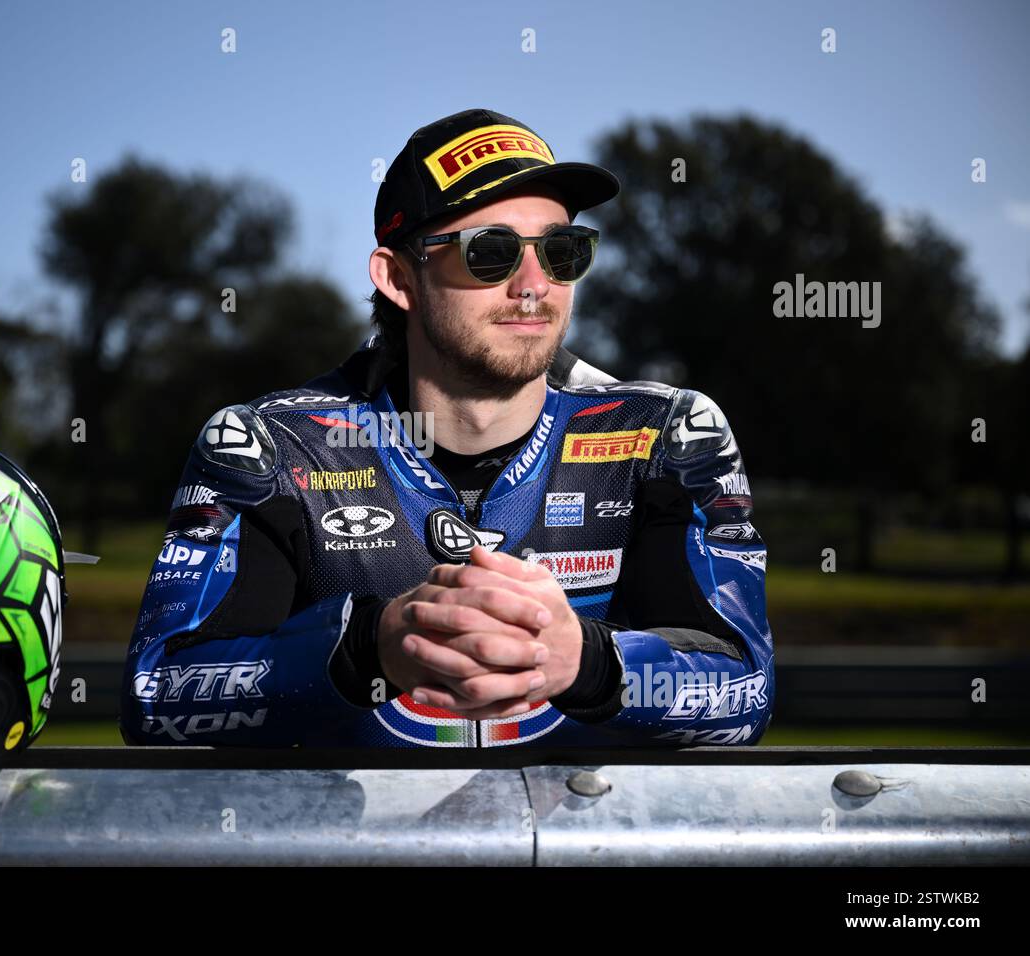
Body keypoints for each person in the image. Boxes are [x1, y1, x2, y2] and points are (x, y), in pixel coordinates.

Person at [120, 108, 774, 747]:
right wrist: (369, 647)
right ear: (399, 277)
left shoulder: (663, 436)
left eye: (561, 250)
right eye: (489, 252)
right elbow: (157, 697)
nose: (532, 284)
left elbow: (746, 689)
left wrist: (592, 664)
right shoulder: (271, 447)